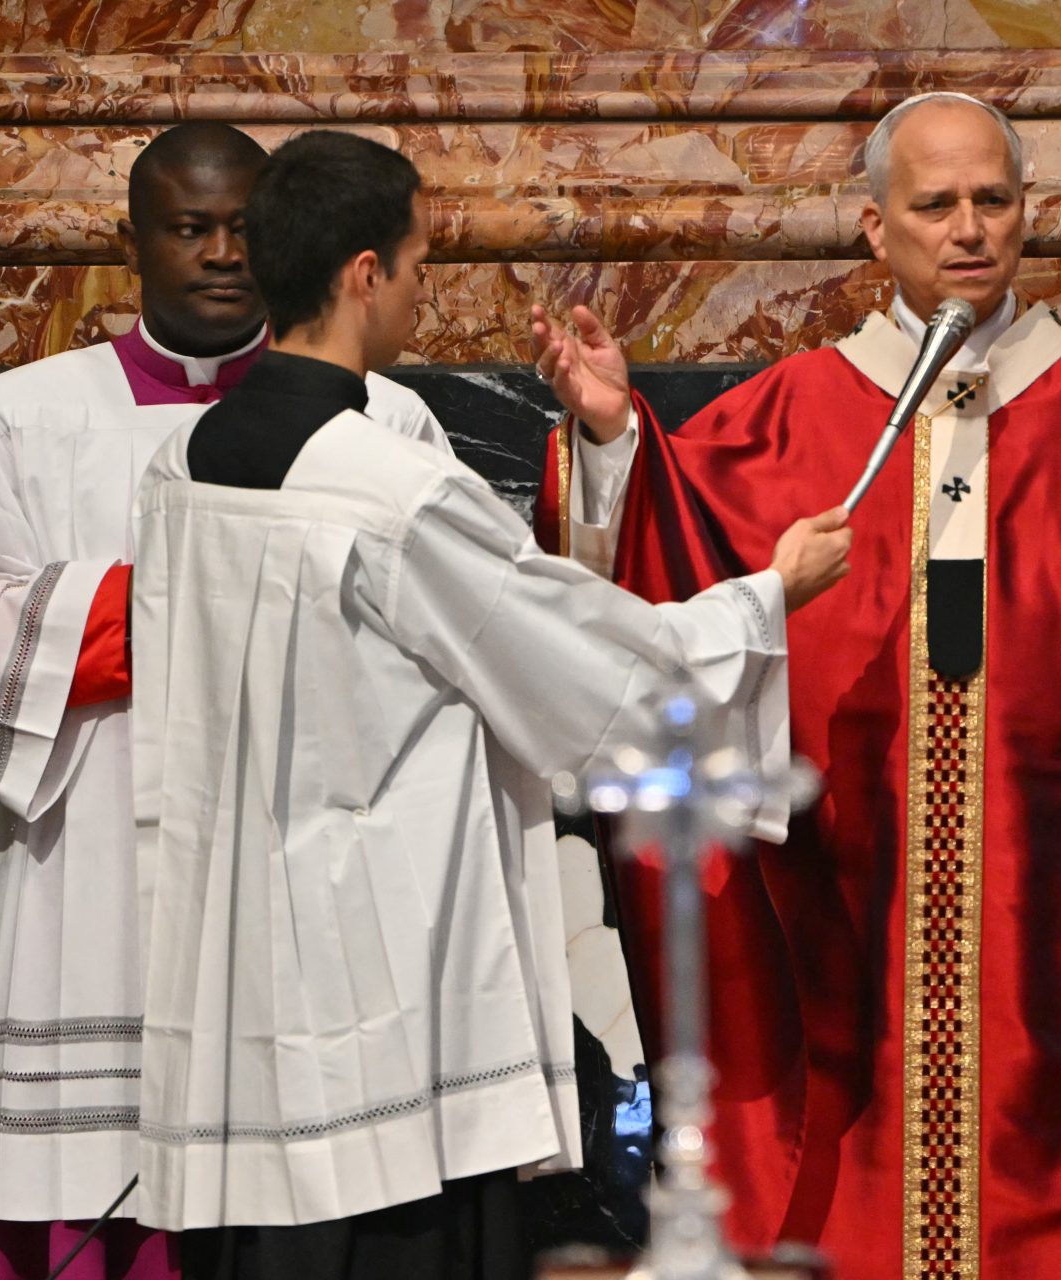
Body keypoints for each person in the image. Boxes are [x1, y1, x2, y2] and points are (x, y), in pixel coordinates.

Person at [529, 90, 1061, 1280]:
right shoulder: (785, 420)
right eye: (934, 205)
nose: (969, 228)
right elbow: (658, 582)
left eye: (994, 199)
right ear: (873, 229)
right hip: (846, 915)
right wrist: (620, 441)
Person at [124, 129, 850, 1278]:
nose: (422, 293)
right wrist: (769, 597)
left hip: (237, 967)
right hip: (381, 976)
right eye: (418, 264)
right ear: (364, 273)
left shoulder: (187, 460)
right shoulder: (386, 489)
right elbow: (600, 668)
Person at [0, 122, 446, 1280]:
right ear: (133, 243)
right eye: (190, 227)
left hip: (302, 861)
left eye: (243, 228)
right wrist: (172, 604)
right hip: (92, 868)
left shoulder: (387, 421)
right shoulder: (19, 417)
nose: (222, 253)